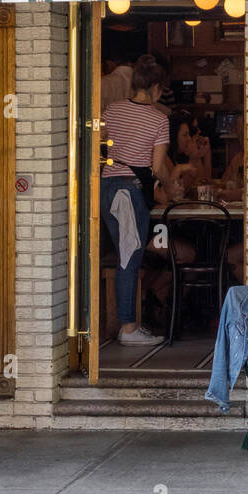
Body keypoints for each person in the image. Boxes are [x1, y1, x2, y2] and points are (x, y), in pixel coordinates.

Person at [101, 54, 176, 346]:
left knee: (125, 254)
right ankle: (129, 328)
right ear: (156, 87)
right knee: (129, 259)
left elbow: (103, 145)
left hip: (107, 188)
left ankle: (129, 324)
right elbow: (157, 168)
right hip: (131, 193)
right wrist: (170, 187)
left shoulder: (112, 110)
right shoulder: (159, 119)